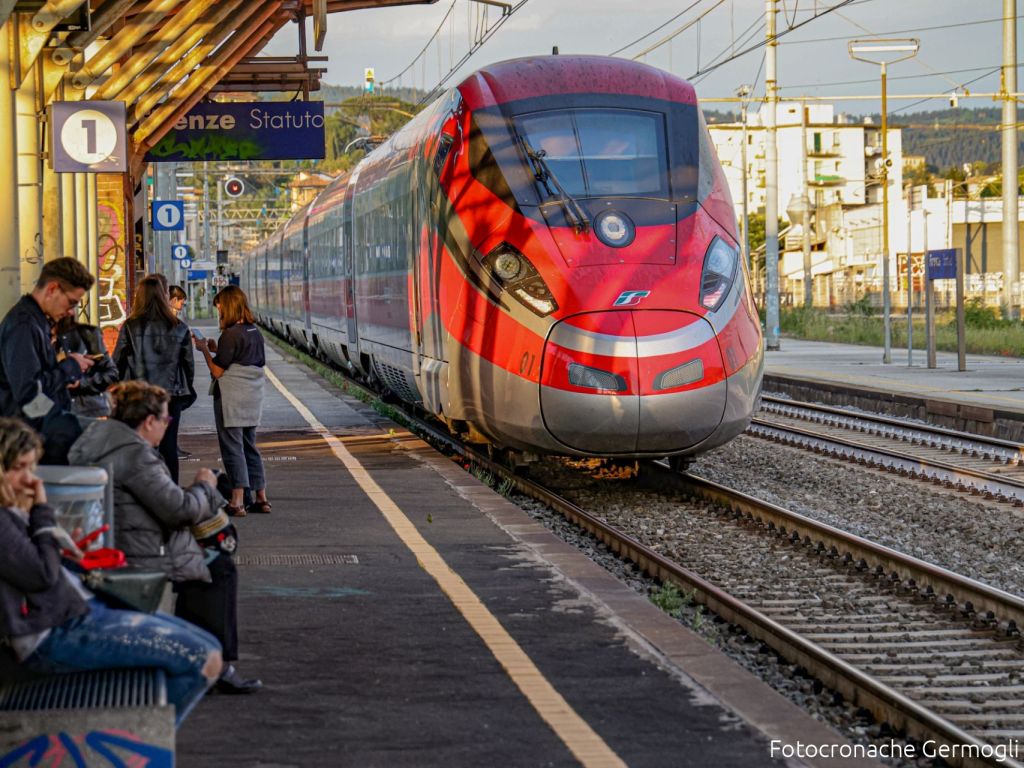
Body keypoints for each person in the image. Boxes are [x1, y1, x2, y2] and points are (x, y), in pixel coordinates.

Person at [0, 417, 223, 726]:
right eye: (18, 469)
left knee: (210, 652)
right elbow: (41, 573)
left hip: (74, 612)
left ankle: (135, 744)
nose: (31, 480)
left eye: (30, 467)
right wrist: (43, 516)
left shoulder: (9, 511)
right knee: (201, 659)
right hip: (51, 632)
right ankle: (134, 747)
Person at [68, 381, 261, 694]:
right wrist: (205, 486)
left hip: (109, 542)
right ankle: (211, 664)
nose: (166, 427)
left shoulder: (94, 440)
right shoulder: (135, 455)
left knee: (200, 558)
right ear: (148, 422)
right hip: (135, 552)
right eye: (166, 420)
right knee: (215, 566)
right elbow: (180, 511)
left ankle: (198, 656)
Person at [0, 258, 96, 464]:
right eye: (71, 302)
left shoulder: (36, 322)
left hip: (35, 433)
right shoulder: (24, 325)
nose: (71, 311)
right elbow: (28, 393)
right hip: (30, 438)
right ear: (52, 289)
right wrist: (69, 368)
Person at [195, 286, 270, 517]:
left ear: (227, 306)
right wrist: (218, 350)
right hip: (252, 397)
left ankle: (237, 501)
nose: (218, 311)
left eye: (219, 307)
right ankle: (261, 498)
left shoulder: (230, 334)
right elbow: (247, 359)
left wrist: (204, 351)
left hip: (231, 398)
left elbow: (217, 371)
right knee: (250, 446)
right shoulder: (254, 331)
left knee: (232, 447)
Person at [112, 276, 195, 484]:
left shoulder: (130, 326)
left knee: (141, 446)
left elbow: (117, 362)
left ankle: (145, 494)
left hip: (139, 397)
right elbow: (188, 365)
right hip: (171, 397)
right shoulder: (179, 327)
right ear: (164, 296)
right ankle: (171, 495)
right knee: (169, 447)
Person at [55, 316, 118, 418]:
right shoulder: (37, 337)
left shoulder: (87, 334)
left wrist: (81, 383)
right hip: (56, 414)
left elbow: (111, 373)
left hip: (92, 410)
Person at [167, 285, 195, 460]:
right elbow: (188, 360)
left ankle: (172, 447)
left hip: (157, 381)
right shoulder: (179, 326)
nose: (182, 304)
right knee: (172, 418)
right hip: (176, 381)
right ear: (173, 300)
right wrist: (189, 381)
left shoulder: (152, 324)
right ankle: (172, 448)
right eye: (181, 301)